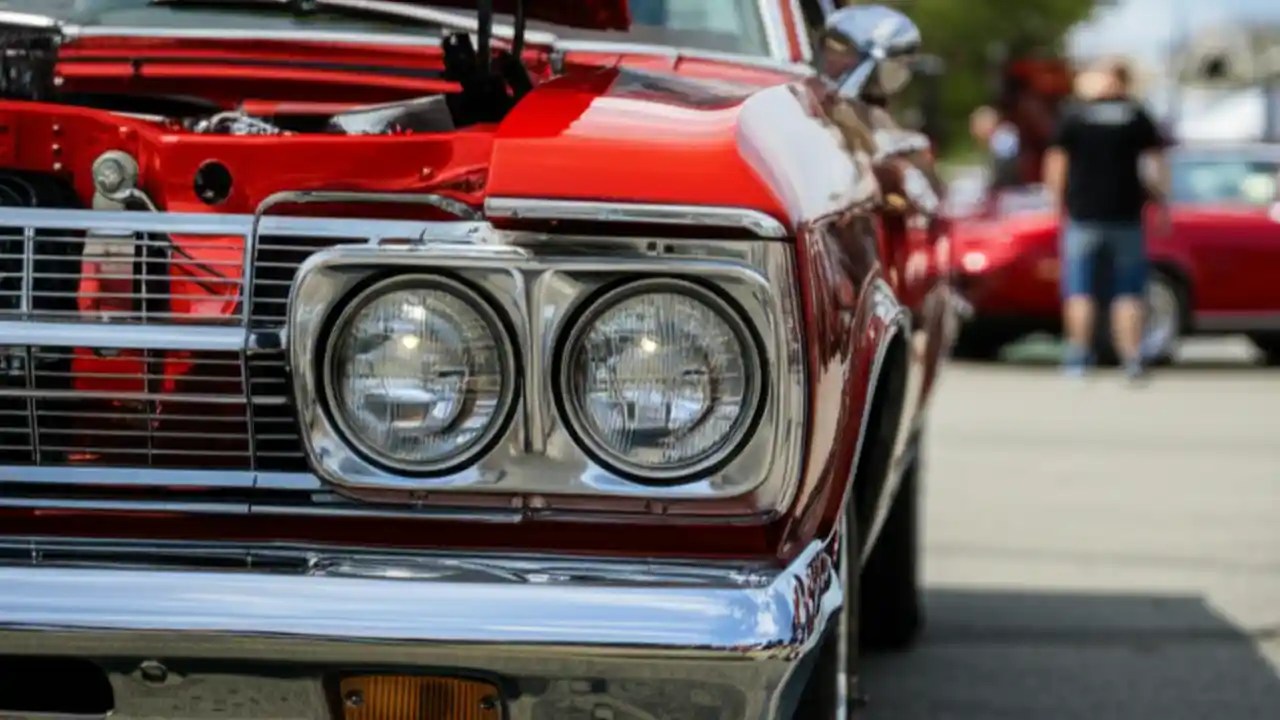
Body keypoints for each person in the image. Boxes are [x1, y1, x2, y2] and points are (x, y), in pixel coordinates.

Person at [1043, 58, 1170, 381]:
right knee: (1128, 292)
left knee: (1079, 291)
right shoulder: (1136, 115)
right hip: (1126, 217)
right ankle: (1132, 359)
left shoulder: (1075, 115)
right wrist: (1161, 204)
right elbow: (1155, 165)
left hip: (1082, 216)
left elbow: (1057, 164)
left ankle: (1078, 358)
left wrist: (1056, 206)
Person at [970, 105, 1023, 194]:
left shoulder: (1003, 140)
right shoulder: (992, 142)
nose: (973, 131)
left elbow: (1004, 173)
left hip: (1012, 191)